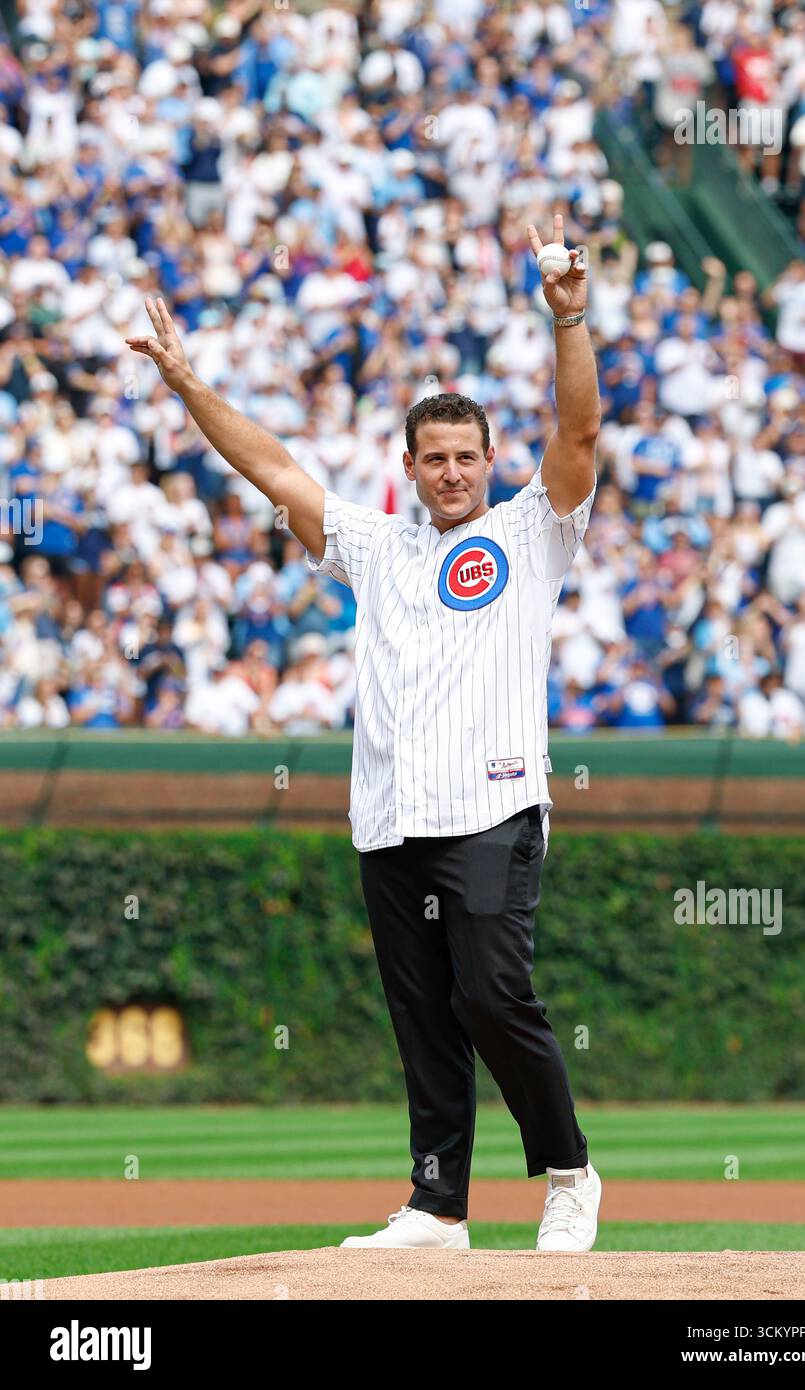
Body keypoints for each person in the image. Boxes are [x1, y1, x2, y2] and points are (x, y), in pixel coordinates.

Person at [125, 213, 602, 1254]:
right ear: (408, 465)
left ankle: (569, 1174)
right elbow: (274, 470)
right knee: (423, 1016)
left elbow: (576, 439)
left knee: (491, 993)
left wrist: (568, 321)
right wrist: (184, 382)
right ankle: (437, 1205)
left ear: (490, 459)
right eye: (434, 459)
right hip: (388, 818)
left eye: (465, 456)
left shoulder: (530, 531)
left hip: (493, 805)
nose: (451, 473)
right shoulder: (377, 545)